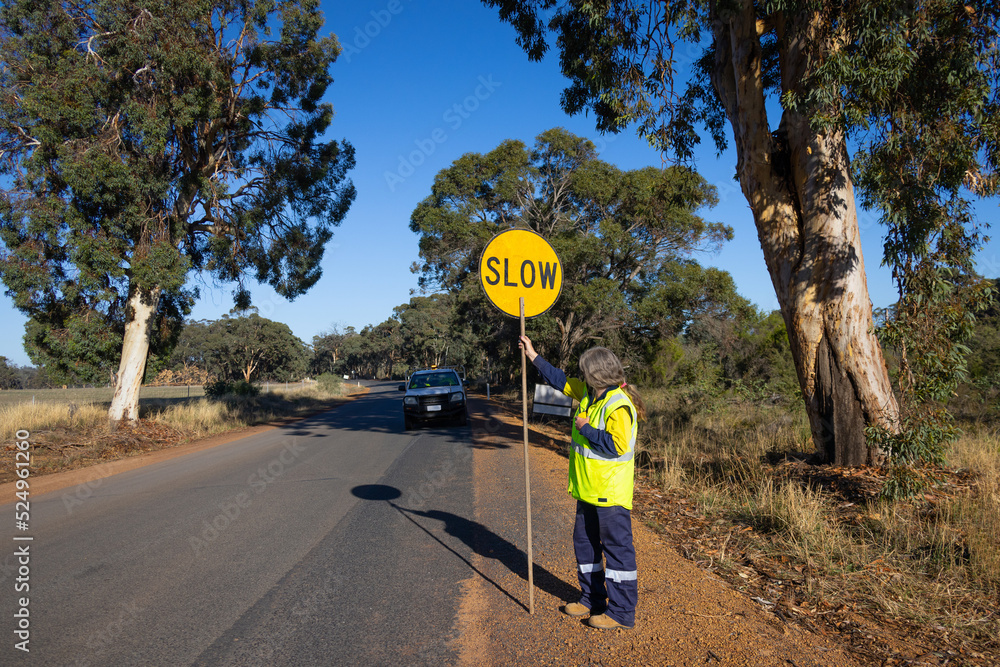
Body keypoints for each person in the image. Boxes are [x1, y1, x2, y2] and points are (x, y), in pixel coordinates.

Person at [519, 335, 646, 630]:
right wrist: (533, 355)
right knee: (585, 546)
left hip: (610, 496)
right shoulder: (590, 394)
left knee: (617, 552)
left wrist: (585, 428)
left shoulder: (619, 405)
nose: (581, 376)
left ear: (596, 373)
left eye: (585, 371)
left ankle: (622, 612)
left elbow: (617, 446)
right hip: (587, 491)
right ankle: (592, 598)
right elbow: (559, 381)